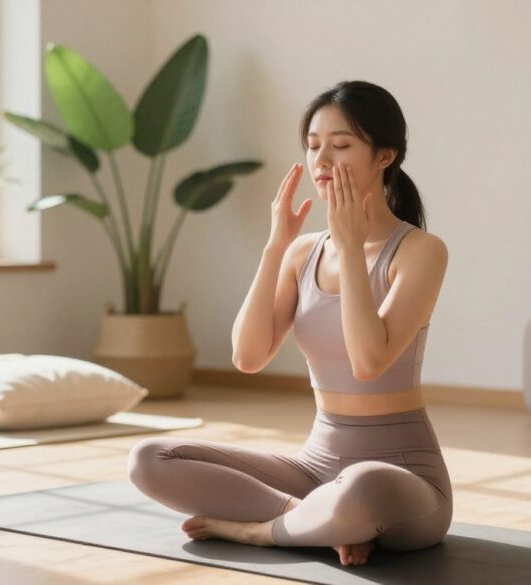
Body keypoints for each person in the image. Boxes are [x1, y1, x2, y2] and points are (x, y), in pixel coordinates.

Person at [127, 80, 451, 567]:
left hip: (400, 476)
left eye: (340, 146)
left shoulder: (421, 252)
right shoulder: (303, 253)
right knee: (150, 459)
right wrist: (276, 246)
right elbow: (248, 357)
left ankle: (268, 532)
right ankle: (311, 520)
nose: (321, 161)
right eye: (314, 145)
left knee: (360, 488)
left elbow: (369, 361)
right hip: (314, 468)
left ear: (385, 156)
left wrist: (348, 245)